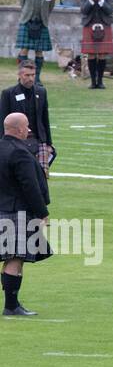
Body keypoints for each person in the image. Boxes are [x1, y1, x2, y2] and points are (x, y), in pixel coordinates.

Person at [0, 112, 50, 316]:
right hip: (16, 212)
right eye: (27, 126)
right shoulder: (20, 152)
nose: (29, 130)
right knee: (15, 258)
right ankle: (11, 306)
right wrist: (42, 213)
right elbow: (30, 186)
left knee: (10, 257)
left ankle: (11, 304)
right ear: (19, 129)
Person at [2, 60, 53, 180]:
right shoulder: (8, 94)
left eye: (33, 75)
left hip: (39, 140)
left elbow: (45, 119)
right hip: (17, 141)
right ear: (19, 75)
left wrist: (49, 143)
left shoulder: (41, 92)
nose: (31, 78)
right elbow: (2, 121)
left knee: (42, 177)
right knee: (21, 176)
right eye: (27, 75)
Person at [15, 0, 56, 81]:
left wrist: (43, 17)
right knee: (24, 49)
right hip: (27, 21)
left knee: (39, 51)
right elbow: (22, 4)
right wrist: (28, 16)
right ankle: (23, 76)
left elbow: (51, 6)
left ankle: (36, 77)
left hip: (41, 23)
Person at [80, 0, 113, 90]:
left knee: (103, 54)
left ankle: (100, 81)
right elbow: (83, 11)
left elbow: (110, 10)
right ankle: (93, 82)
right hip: (89, 25)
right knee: (91, 54)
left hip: (104, 25)